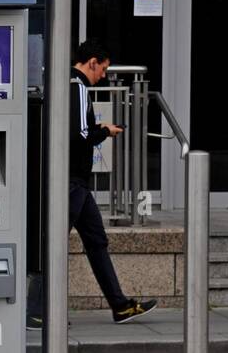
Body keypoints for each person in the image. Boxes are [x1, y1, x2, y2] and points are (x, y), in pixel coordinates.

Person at [27, 38, 157, 328]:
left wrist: (97, 130)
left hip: (76, 183)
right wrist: (105, 132)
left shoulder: (66, 85)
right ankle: (35, 311)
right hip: (70, 180)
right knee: (51, 242)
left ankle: (120, 306)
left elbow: (72, 129)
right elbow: (79, 135)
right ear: (92, 62)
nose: (103, 77)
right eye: (103, 70)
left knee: (97, 242)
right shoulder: (79, 86)